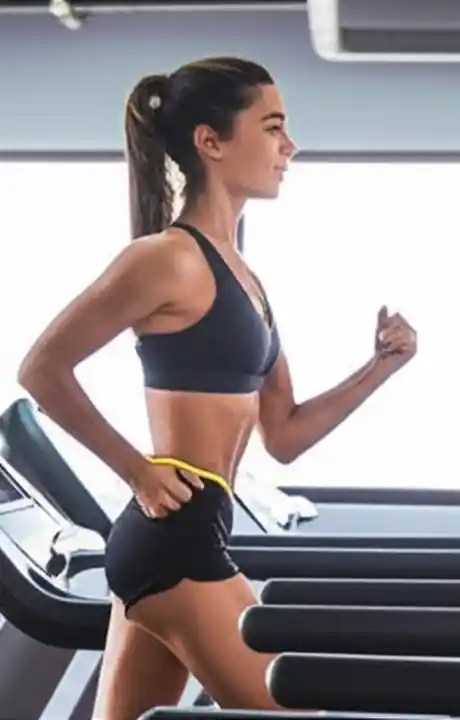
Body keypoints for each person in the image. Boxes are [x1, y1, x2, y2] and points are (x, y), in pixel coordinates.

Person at [16, 57, 419, 719]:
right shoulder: (166, 258)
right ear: (211, 142)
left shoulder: (249, 280)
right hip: (174, 536)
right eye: (272, 127)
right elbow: (42, 368)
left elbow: (284, 435)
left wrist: (380, 368)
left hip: (194, 529)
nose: (290, 147)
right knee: (296, 711)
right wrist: (138, 472)